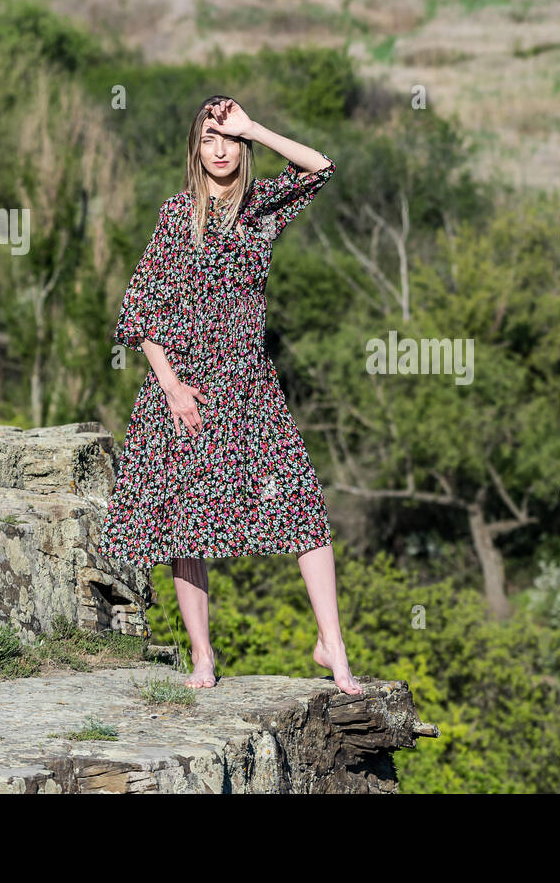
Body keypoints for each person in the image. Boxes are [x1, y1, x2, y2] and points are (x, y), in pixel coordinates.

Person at [97, 95, 361, 695]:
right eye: (209, 139)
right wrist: (172, 388)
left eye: (229, 140)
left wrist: (254, 127)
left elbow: (320, 166)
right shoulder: (174, 215)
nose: (219, 150)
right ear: (195, 150)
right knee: (185, 522)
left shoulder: (262, 207)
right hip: (183, 384)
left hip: (248, 379)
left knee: (301, 503)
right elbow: (142, 311)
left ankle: (333, 647)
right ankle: (202, 657)